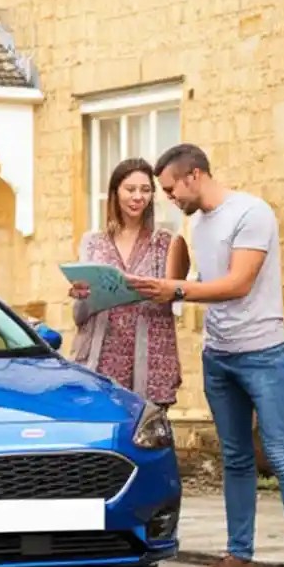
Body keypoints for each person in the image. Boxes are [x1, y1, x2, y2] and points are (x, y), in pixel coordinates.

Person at [124, 143, 284, 567]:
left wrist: (176, 290)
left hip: (263, 353)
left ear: (194, 175)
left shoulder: (252, 213)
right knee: (234, 458)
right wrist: (168, 276)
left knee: (282, 454)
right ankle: (239, 557)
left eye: (172, 189)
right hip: (219, 355)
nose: (169, 197)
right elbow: (184, 272)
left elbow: (238, 284)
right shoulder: (196, 223)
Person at [68, 158, 189, 409]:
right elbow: (80, 314)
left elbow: (175, 298)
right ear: (115, 192)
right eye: (130, 189)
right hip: (101, 356)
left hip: (150, 359)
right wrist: (80, 293)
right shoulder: (92, 242)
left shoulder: (166, 242)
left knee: (147, 438)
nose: (138, 197)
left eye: (145, 190)